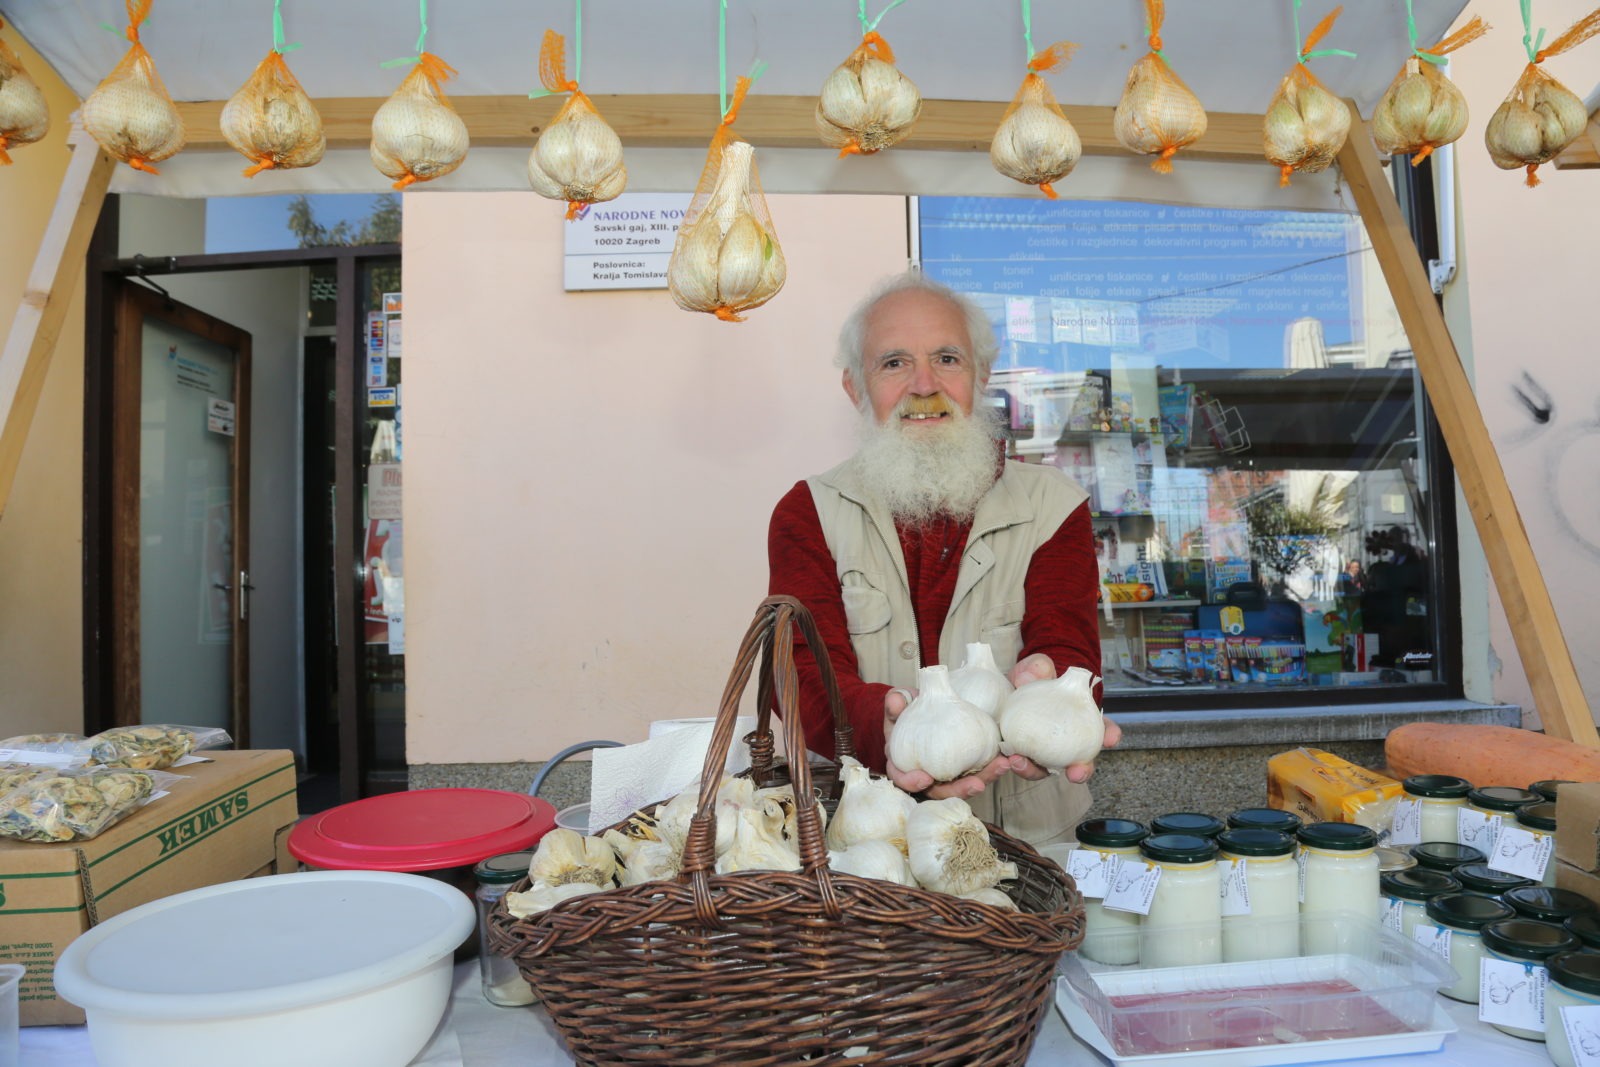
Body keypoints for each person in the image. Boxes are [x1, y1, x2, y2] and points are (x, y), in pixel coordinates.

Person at [767, 271, 1119, 846]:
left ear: (980, 378)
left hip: (1026, 835)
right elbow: (798, 672)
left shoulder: (1054, 504)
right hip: (866, 840)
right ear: (856, 388)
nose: (924, 384)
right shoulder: (807, 512)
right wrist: (877, 722)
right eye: (894, 363)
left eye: (948, 359)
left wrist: (1048, 680)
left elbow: (1068, 641)